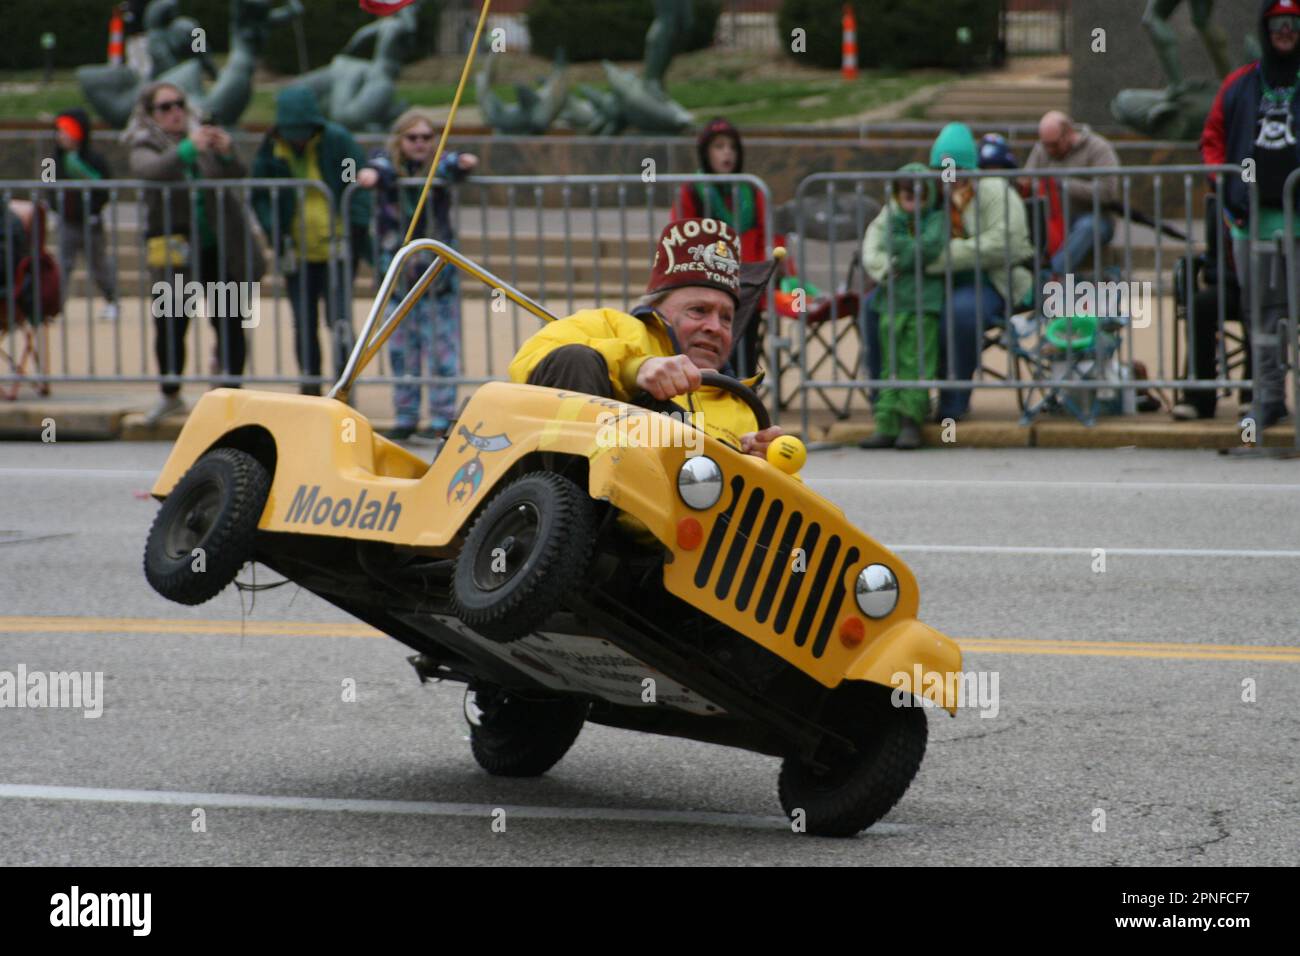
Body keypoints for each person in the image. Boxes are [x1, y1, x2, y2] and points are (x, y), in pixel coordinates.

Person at [508, 217, 783, 457]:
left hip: (676, 515)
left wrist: (766, 469)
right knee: (575, 358)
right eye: (698, 311)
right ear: (656, 309)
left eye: (726, 318)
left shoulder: (747, 412)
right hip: (574, 505)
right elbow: (528, 363)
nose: (715, 327)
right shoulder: (608, 325)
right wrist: (633, 368)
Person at [865, 123, 1033, 422]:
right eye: (941, 168)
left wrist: (939, 260)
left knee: (959, 314)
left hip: (988, 280)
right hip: (923, 280)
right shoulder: (923, 188)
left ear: (970, 168)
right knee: (872, 308)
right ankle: (885, 404)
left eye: (956, 169)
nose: (949, 177)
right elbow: (878, 231)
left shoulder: (994, 190)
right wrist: (885, 269)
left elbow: (1007, 242)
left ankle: (952, 404)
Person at [125, 81, 263, 425]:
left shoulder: (201, 136)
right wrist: (188, 148)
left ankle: (232, 393)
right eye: (165, 107)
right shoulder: (144, 140)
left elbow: (237, 173)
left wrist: (227, 151)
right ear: (150, 113)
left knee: (229, 319)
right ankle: (170, 395)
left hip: (217, 243)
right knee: (171, 323)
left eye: (179, 104)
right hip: (173, 248)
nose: (175, 112)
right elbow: (150, 170)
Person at [1200, 0, 1300, 428]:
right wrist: (1224, 184)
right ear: (1264, 28)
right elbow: (1212, 138)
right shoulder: (1239, 84)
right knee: (1259, 315)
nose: (1285, 31)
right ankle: (1269, 399)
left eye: (1293, 23)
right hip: (1250, 221)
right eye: (1277, 23)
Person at [358, 108, 478, 441]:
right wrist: (368, 175)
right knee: (401, 351)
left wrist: (465, 161)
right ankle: (406, 414)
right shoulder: (386, 162)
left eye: (427, 137)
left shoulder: (439, 164)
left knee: (442, 352)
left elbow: (453, 164)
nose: (421, 143)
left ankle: (442, 418)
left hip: (438, 280)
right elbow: (377, 168)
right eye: (413, 138)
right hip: (398, 281)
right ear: (400, 140)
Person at [251, 86, 371, 395]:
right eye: (293, 131)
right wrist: (273, 230)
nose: (298, 138)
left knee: (339, 319)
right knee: (303, 321)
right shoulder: (271, 148)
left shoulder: (337, 140)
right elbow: (259, 195)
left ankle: (344, 386)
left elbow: (358, 185)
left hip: (338, 248)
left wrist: (355, 228)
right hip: (297, 251)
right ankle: (311, 385)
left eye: (303, 131)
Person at [858, 164, 947, 450]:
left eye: (918, 192)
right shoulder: (892, 218)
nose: (911, 197)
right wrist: (910, 248)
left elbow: (928, 247)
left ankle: (911, 421)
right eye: (905, 192)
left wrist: (902, 251)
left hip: (924, 303)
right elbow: (892, 243)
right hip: (891, 302)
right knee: (890, 363)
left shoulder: (937, 219)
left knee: (917, 361)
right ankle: (886, 422)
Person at [674, 117, 769, 377]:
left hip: (746, 286)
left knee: (745, 357)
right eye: (719, 146)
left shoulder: (752, 189)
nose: (727, 153)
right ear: (705, 153)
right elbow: (681, 236)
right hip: (707, 285)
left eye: (732, 147)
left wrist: (761, 275)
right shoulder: (692, 190)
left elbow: (765, 236)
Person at [1024, 111, 1121, 277]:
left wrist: (1064, 184)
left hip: (1093, 218)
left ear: (1069, 133)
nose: (1049, 150)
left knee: (1087, 227)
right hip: (1052, 219)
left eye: (1054, 145)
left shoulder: (1098, 148)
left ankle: (1053, 273)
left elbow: (1108, 191)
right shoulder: (1042, 150)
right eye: (1045, 144)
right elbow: (1027, 179)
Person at [52, 108, 119, 321]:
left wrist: (94, 210)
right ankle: (55, 306)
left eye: (67, 131)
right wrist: (58, 208)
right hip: (67, 221)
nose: (61, 136)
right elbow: (47, 187)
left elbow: (105, 188)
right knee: (63, 265)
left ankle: (111, 300)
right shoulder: (52, 161)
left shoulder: (95, 160)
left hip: (92, 223)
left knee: (100, 265)